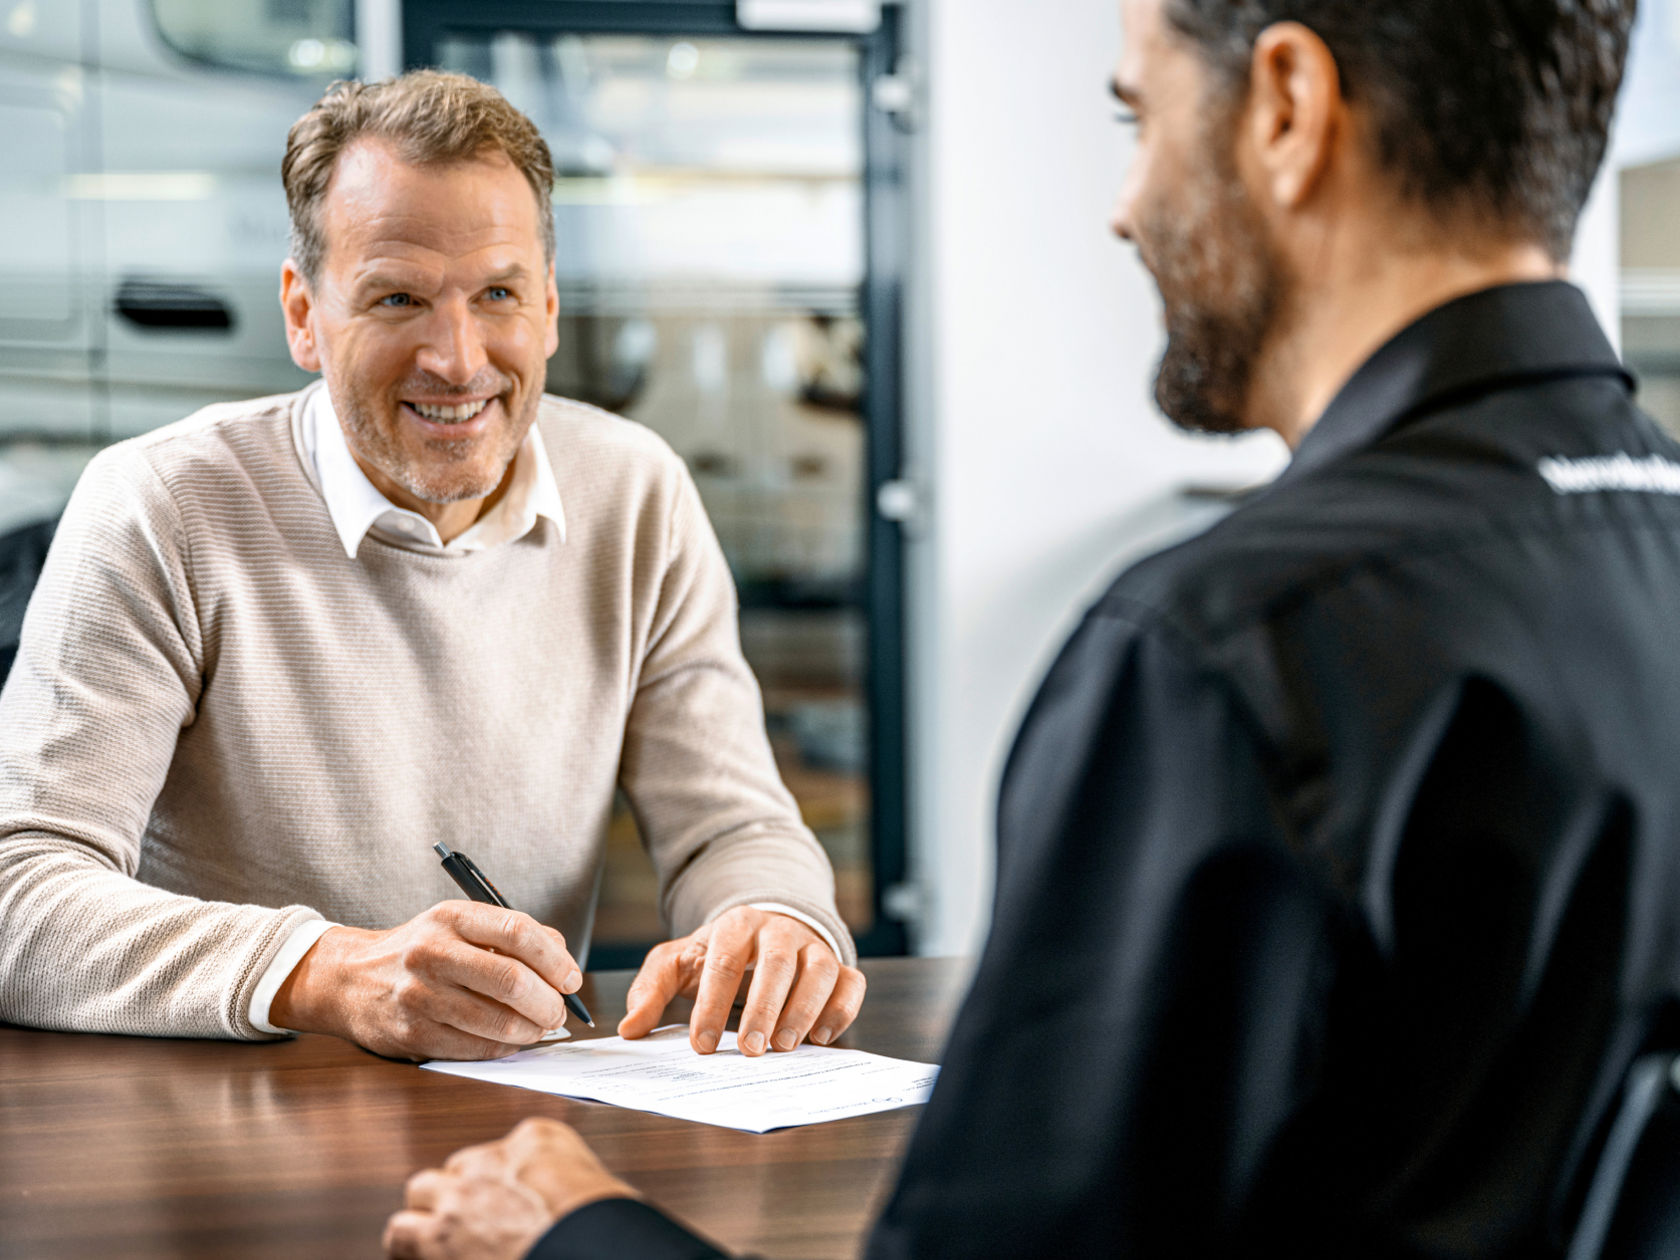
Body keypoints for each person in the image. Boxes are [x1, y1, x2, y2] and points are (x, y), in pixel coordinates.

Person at [382, 0, 1680, 1256]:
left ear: (1287, 107)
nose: (1125, 206)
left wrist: (572, 1235)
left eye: (1139, 117)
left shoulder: (1227, 657)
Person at [0, 71, 866, 1064]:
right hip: (212, 1125)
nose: (456, 359)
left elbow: (731, 824)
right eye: (398, 297)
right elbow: (18, 892)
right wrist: (324, 972)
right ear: (302, 314)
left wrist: (774, 914)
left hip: (521, 1119)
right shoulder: (163, 506)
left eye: (497, 294)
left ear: (546, 307)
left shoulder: (636, 493)